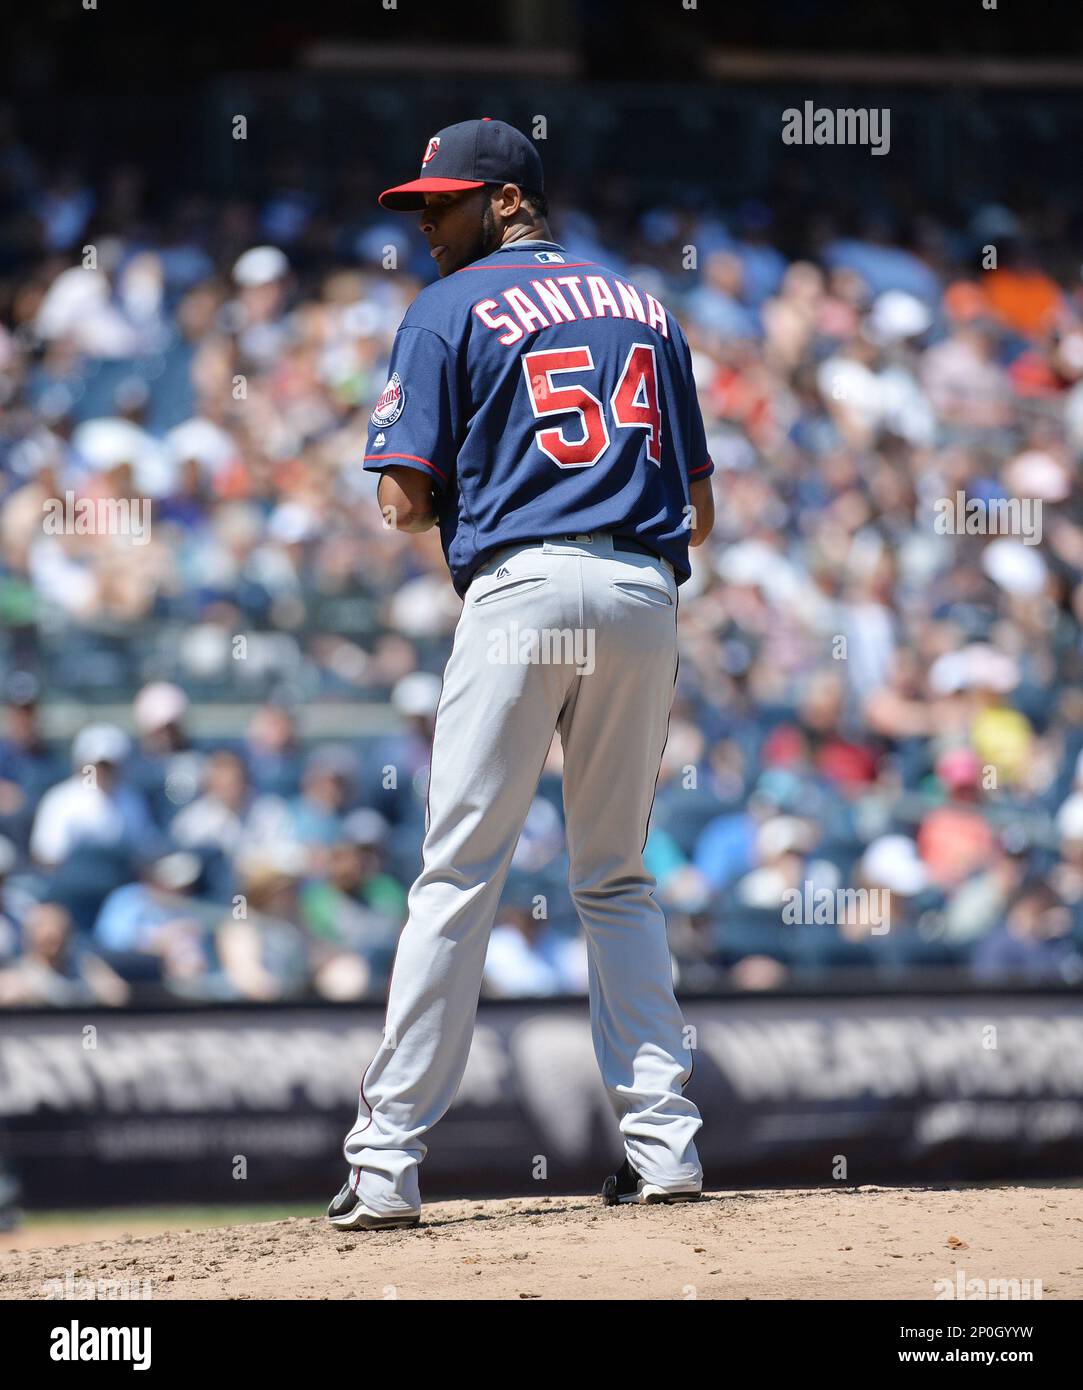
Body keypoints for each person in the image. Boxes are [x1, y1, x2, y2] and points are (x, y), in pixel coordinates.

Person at [329, 118, 714, 1230]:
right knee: (615, 876)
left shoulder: (445, 309)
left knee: (458, 876)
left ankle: (390, 1164)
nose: (427, 224)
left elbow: (402, 504)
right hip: (642, 593)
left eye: (443, 204)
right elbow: (701, 508)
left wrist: (489, 500)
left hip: (522, 591)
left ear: (507, 201)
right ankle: (667, 1148)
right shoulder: (646, 306)